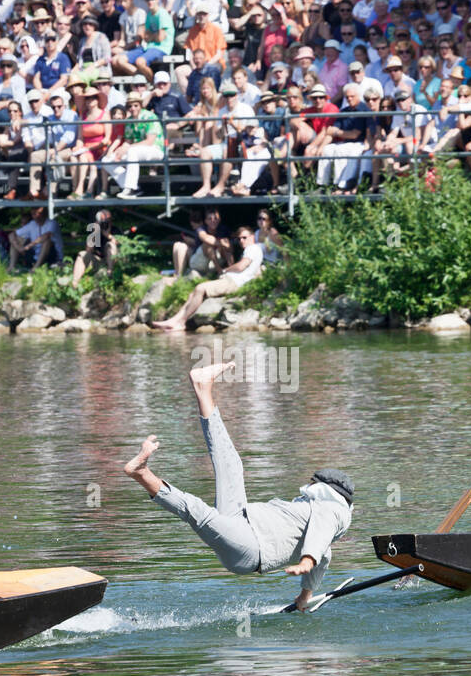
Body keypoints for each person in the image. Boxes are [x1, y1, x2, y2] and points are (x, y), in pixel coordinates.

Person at [123, 361, 353, 612]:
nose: (307, 486)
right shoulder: (323, 543)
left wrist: (307, 561)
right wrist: (304, 596)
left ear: (326, 487)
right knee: (230, 464)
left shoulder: (334, 509)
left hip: (249, 546)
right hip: (242, 521)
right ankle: (203, 387)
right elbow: (323, 555)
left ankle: (141, 473)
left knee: (196, 510)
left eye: (312, 483)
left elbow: (323, 527)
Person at [153, 226, 266, 331]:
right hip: (231, 280)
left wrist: (226, 270)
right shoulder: (254, 249)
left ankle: (181, 322)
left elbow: (241, 266)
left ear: (252, 237)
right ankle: (174, 320)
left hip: (234, 282)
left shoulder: (253, 248)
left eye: (244, 238)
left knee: (200, 288)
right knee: (193, 293)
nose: (241, 240)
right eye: (239, 238)